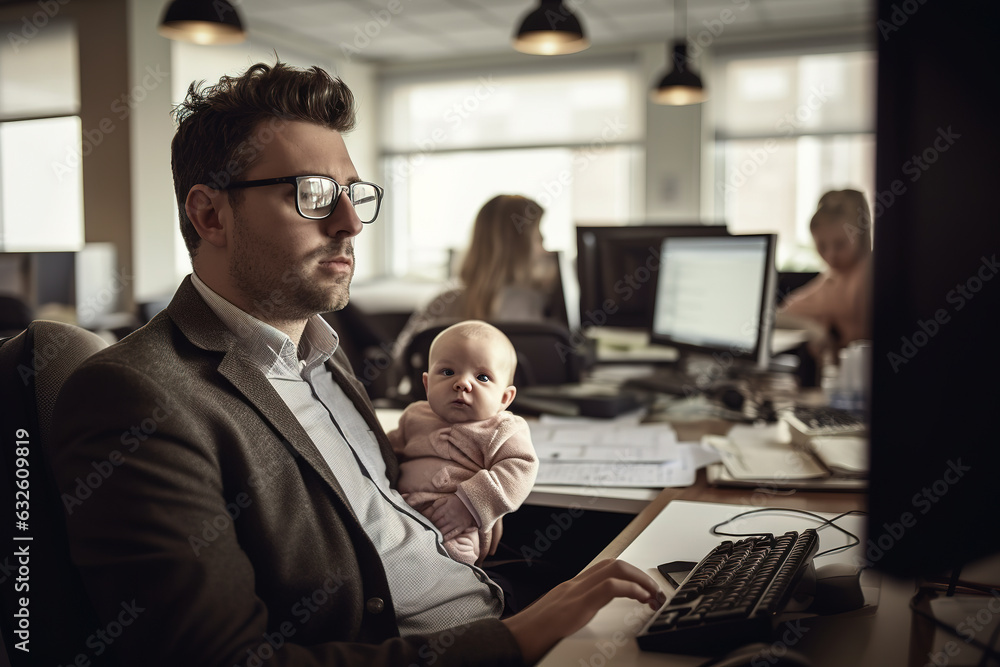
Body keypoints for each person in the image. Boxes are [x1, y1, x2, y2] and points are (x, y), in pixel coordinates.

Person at [51, 61, 663, 667]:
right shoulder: (136, 397)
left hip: (489, 594)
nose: (349, 224)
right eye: (312, 196)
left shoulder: (320, 348)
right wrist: (515, 640)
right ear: (211, 215)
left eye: (352, 194)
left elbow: (375, 504)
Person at [387, 321, 538, 566]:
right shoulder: (414, 416)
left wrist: (471, 505)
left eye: (482, 377)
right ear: (427, 385)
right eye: (447, 372)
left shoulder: (502, 429)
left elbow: (521, 467)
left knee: (453, 561)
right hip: (402, 510)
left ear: (504, 398)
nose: (462, 383)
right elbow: (386, 453)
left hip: (458, 524)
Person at [388, 195, 560, 396]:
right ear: (524, 247)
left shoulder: (443, 302)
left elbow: (400, 364)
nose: (546, 251)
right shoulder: (544, 306)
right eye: (539, 239)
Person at [777, 189, 873, 360]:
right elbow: (778, 316)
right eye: (821, 246)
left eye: (840, 245)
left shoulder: (869, 274)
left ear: (861, 234)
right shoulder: (831, 279)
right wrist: (814, 329)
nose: (830, 256)